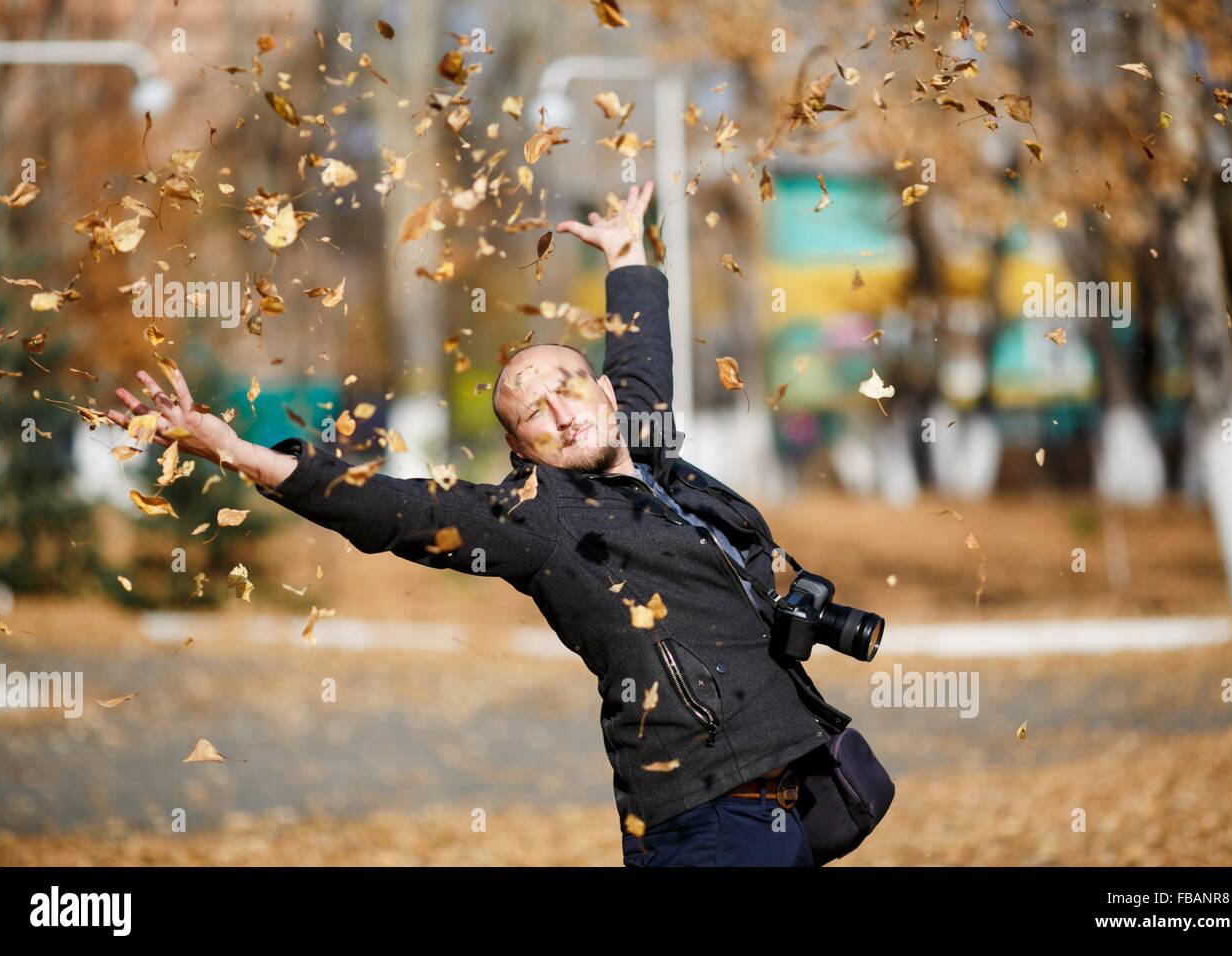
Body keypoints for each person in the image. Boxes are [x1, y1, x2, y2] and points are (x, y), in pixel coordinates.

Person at [108, 181, 853, 867]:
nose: (560, 412)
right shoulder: (537, 517)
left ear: (602, 393)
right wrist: (238, 452)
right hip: (709, 818)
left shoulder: (643, 440)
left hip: (789, 797)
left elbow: (640, 355)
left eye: (568, 389)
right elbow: (397, 509)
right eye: (534, 413)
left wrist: (629, 257)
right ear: (519, 447)